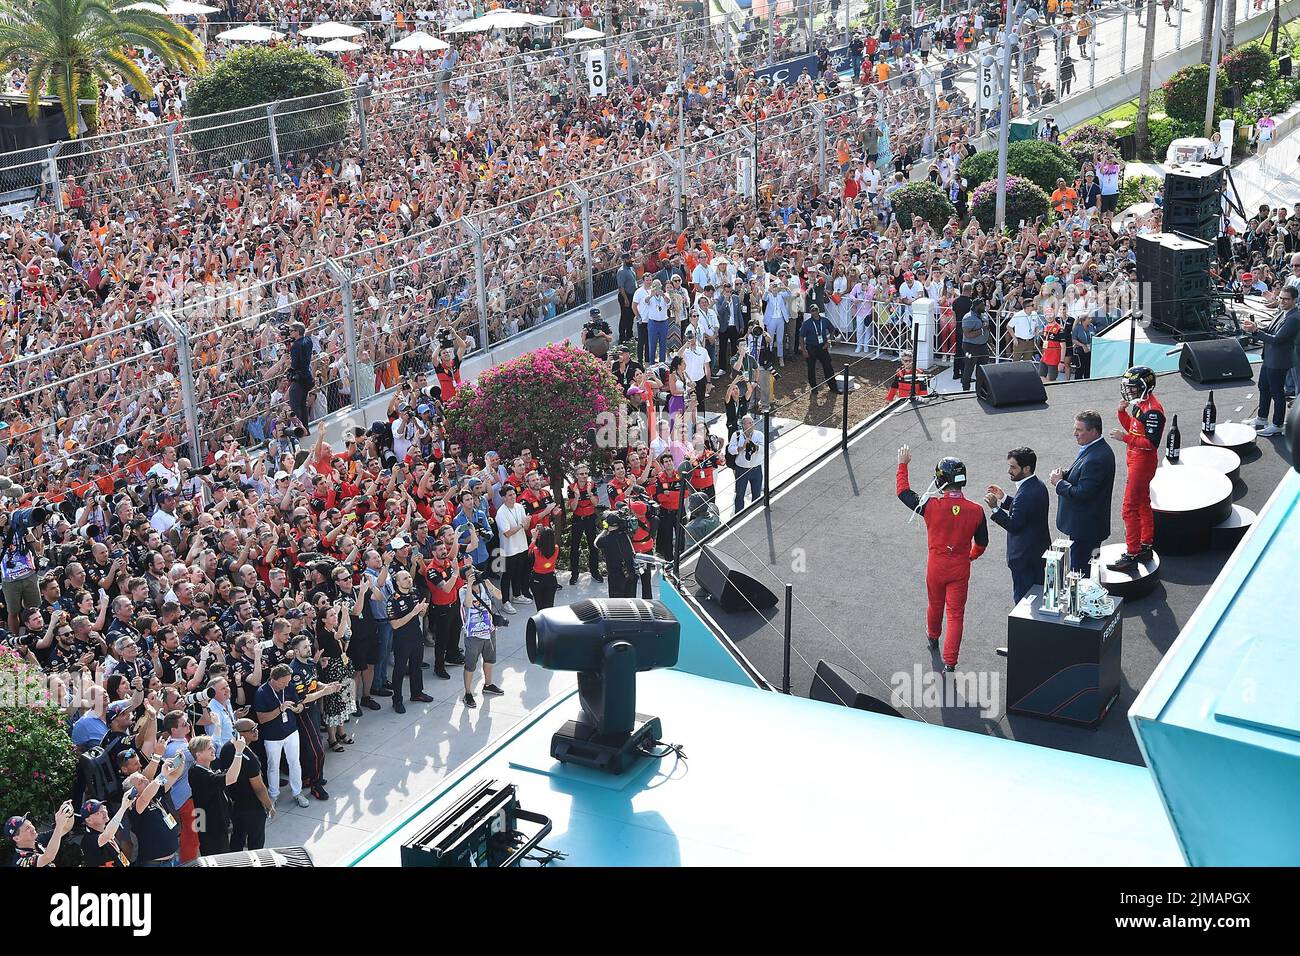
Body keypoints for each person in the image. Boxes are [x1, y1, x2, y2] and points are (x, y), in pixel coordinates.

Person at [895, 446, 989, 672]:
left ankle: (933, 635)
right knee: (956, 614)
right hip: (960, 568)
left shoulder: (930, 505)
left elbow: (903, 492)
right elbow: (982, 543)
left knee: (935, 604)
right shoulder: (976, 510)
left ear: (941, 481)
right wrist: (970, 556)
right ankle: (950, 662)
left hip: (936, 567)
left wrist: (903, 464)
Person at [1107, 367, 1166, 572]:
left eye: (1133, 388)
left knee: (1129, 507)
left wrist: (1124, 439)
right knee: (1142, 503)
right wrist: (1121, 412)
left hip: (1142, 461)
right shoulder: (1141, 405)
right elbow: (1132, 428)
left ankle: (1132, 553)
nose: (1129, 392)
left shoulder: (1153, 411)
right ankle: (1145, 545)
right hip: (1135, 458)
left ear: (1145, 387)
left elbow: (1151, 443)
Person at [1049, 410, 1116, 570]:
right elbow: (1084, 476)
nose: (1075, 434)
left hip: (1086, 530)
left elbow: (1083, 493)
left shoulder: (1096, 458)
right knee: (1090, 569)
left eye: (1079, 430)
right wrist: (1066, 474)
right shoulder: (1095, 449)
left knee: (1081, 573)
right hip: (1088, 527)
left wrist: (1059, 484)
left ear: (1093, 431)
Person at [985, 447, 1052, 603]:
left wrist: (995, 507)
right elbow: (1024, 511)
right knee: (1038, 599)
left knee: (1023, 603)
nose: (1009, 471)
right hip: (1037, 553)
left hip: (1023, 558)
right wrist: (1004, 498)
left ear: (1026, 468)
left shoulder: (1025, 494)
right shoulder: (1038, 485)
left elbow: (1015, 524)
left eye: (1013, 467)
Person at [1241, 286, 1298, 437]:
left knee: (1277, 393)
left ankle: (1277, 424)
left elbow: (1277, 340)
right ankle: (1261, 418)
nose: (1282, 301)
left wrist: (1255, 331)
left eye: (1286, 299)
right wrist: (1256, 327)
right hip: (1270, 358)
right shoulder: (1283, 313)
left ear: (1294, 300)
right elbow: (1270, 329)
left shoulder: (1294, 318)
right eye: (1281, 298)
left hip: (1279, 361)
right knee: (1263, 387)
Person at [254, 663, 311, 808]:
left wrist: (298, 708)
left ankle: (297, 793)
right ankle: (273, 795)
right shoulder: (262, 692)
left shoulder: (289, 686)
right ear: (274, 679)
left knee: (295, 763)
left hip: (291, 731)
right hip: (272, 736)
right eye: (284, 682)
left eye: (288, 682)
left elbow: (299, 703)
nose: (286, 685)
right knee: (273, 766)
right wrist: (280, 709)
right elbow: (261, 718)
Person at [187, 732, 246, 857]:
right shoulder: (198, 774)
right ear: (198, 754)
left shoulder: (205, 768)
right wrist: (239, 753)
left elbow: (226, 775)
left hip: (213, 823)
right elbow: (231, 778)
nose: (213, 750)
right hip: (211, 828)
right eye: (209, 748)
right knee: (217, 859)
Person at [220, 718, 275, 852]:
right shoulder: (250, 760)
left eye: (255, 727)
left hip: (235, 806)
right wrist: (269, 806)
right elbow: (259, 788)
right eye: (252, 730)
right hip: (253, 809)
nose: (256, 731)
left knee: (237, 839)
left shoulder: (226, 748)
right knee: (256, 844)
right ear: (241, 734)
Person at [385, 569, 432, 714]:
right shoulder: (392, 600)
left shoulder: (415, 593)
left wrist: (422, 611)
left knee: (416, 666)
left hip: (416, 635)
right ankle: (397, 700)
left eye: (409, 578)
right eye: (405, 579)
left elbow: (419, 614)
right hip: (402, 640)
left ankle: (417, 693)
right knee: (399, 669)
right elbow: (395, 624)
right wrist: (413, 612)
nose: (409, 580)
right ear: (397, 582)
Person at [459, 566, 505, 709]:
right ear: (465, 579)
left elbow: (500, 596)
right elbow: (467, 604)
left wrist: (489, 584)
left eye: (474, 572)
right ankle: (467, 693)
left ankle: (488, 684)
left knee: (489, 659)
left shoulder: (485, 585)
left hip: (489, 630)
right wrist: (470, 585)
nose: (474, 575)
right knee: (471, 665)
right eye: (470, 575)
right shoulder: (463, 590)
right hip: (473, 634)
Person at [5, 802, 75, 867]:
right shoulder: (20, 861)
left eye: (30, 824)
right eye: (27, 828)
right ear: (17, 838)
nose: (32, 828)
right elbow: (48, 857)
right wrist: (59, 825)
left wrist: (69, 813)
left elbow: (65, 828)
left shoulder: (37, 839)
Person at [595, 508, 638, 599]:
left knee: (617, 604)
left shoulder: (606, 539)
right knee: (631, 601)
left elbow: (596, 543)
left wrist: (605, 530)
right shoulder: (626, 535)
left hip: (616, 576)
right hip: (630, 572)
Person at [79, 798, 133, 867]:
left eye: (104, 808)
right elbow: (106, 836)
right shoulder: (88, 839)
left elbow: (121, 858)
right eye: (98, 812)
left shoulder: (106, 832)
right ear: (89, 820)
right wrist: (123, 808)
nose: (104, 812)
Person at [728, 415, 765, 512]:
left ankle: (755, 514)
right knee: (740, 495)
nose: (751, 425)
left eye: (752, 422)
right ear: (743, 425)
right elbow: (731, 450)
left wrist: (754, 446)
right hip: (741, 469)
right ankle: (738, 515)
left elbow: (763, 448)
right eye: (748, 423)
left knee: (757, 494)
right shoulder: (736, 435)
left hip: (756, 469)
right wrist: (743, 447)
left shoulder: (759, 434)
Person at [283, 321, 314, 433]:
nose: (289, 333)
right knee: (303, 404)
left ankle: (299, 430)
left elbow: (295, 364)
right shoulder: (308, 340)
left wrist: (289, 367)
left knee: (295, 405)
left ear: (297, 332)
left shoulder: (296, 345)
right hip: (307, 376)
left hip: (299, 378)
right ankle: (305, 429)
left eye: (291, 331)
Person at [799, 306, 836, 389]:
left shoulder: (825, 320)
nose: (815, 312)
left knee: (828, 367)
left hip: (823, 347)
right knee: (811, 369)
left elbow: (832, 329)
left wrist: (829, 341)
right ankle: (814, 388)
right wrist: (804, 350)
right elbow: (801, 337)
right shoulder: (807, 323)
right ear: (810, 312)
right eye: (813, 310)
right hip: (811, 348)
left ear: (819, 311)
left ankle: (833, 387)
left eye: (816, 310)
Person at [960, 298, 991, 391]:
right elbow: (967, 334)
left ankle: (980, 388)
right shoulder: (968, 317)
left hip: (983, 346)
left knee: (982, 368)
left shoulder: (984, 315)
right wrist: (982, 330)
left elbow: (988, 329)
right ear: (977, 306)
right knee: (969, 367)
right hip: (970, 347)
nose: (984, 307)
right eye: (982, 305)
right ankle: (965, 389)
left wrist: (990, 342)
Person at [528, 525, 560, 610]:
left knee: (540, 607)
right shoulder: (556, 549)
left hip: (537, 579)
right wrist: (551, 531)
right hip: (551, 579)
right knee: (550, 606)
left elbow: (528, 554)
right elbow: (551, 541)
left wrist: (534, 539)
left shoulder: (535, 551)